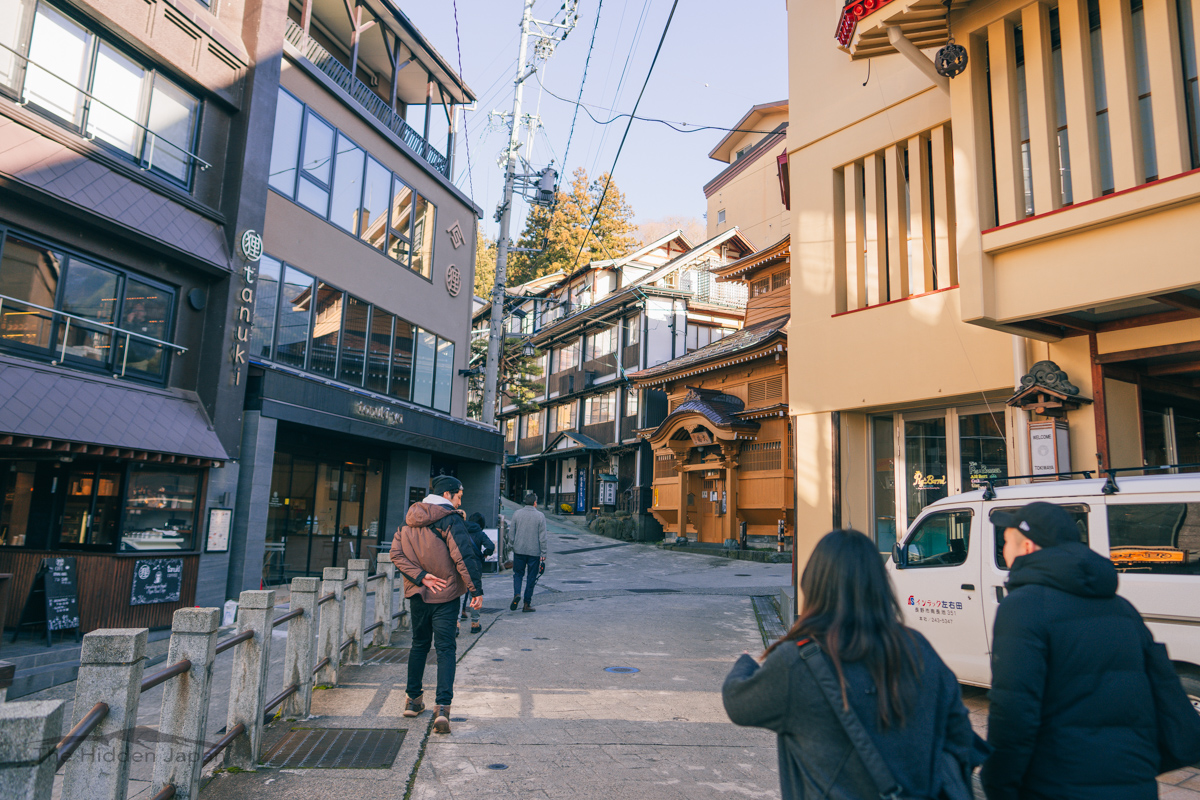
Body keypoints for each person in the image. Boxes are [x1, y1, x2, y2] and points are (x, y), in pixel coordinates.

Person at [723, 529, 987, 800]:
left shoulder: (796, 662)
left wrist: (745, 662)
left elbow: (738, 703)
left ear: (813, 583)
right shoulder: (917, 649)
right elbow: (963, 739)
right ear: (879, 584)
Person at [982, 502, 1161, 800]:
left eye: (1005, 543)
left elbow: (1013, 711)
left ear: (1026, 547)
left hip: (1059, 783)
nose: (1004, 551)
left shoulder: (1024, 606)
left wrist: (998, 783)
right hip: (1135, 779)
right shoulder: (1121, 607)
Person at [390, 475, 483, 734]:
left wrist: (420, 577)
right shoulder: (449, 520)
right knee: (445, 650)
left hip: (418, 594)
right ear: (448, 495)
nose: (460, 501)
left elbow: (395, 554)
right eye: (459, 496)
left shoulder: (408, 520)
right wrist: (475, 589)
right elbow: (462, 555)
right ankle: (442, 708)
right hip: (446, 594)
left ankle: (413, 700)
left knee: (419, 645)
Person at [509, 491, 547, 612]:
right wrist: (544, 553)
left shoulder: (517, 514)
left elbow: (511, 532)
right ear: (535, 503)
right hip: (534, 552)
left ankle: (516, 594)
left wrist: (511, 545)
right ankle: (526, 604)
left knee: (518, 574)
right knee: (531, 577)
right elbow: (543, 537)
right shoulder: (540, 516)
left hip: (519, 550)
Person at [459, 511, 495, 634]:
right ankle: (475, 624)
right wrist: (485, 554)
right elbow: (490, 546)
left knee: (458, 594)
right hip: (475, 567)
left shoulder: (460, 530)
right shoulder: (480, 533)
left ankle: (456, 625)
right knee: (474, 594)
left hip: (460, 565)